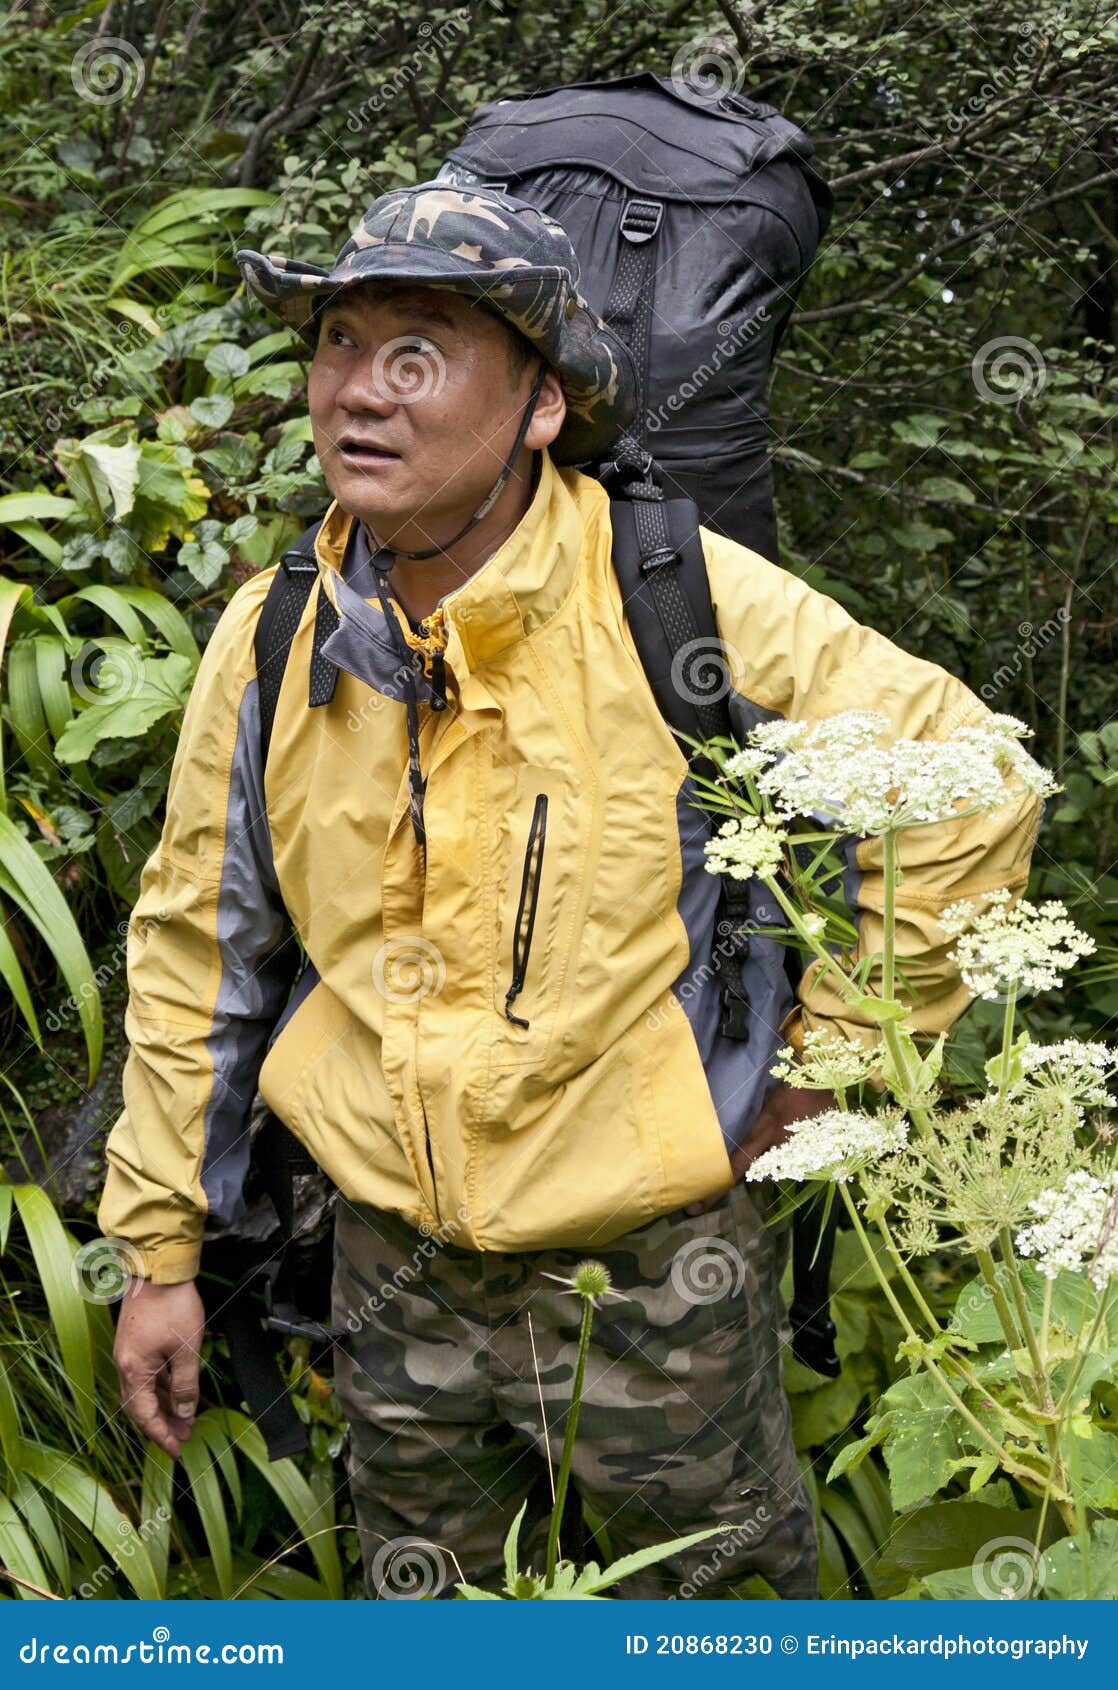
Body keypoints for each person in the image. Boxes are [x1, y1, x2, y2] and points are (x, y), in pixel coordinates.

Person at [98, 182, 1042, 1600]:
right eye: (341, 343)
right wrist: (159, 1246)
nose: (361, 389)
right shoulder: (277, 628)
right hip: (387, 1267)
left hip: (658, 1272)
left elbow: (971, 777)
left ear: (542, 404)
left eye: (420, 349)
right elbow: (195, 948)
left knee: (729, 1622)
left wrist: (828, 1079)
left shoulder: (675, 595)